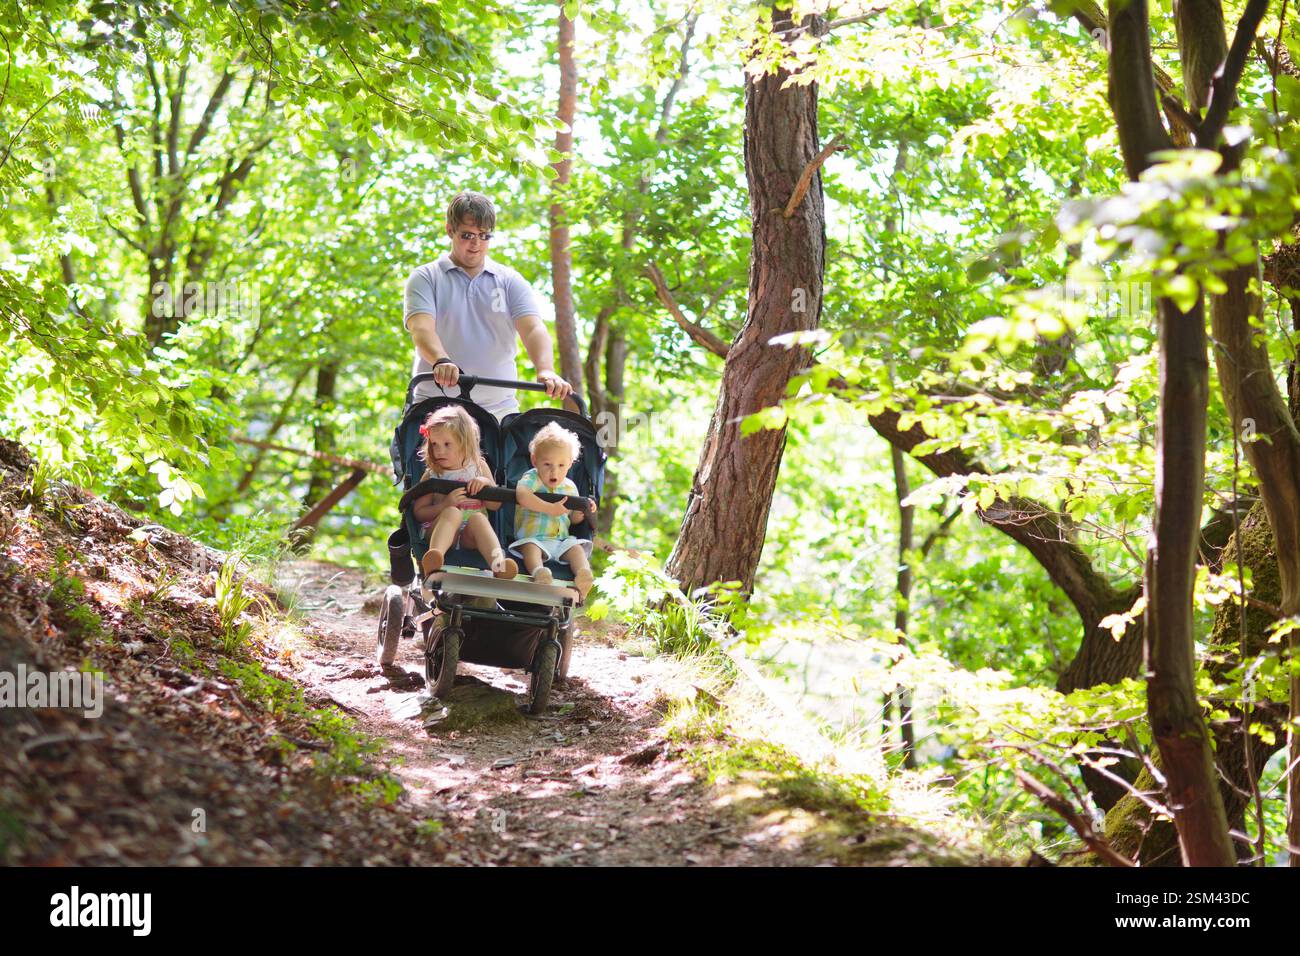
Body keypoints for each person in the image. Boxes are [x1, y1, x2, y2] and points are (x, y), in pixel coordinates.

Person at [404, 190, 574, 421]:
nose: (476, 244)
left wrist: (545, 369)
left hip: (498, 412)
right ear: (449, 230)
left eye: (484, 236)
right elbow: (421, 328)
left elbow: (533, 328)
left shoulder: (509, 280)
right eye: (467, 235)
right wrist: (440, 360)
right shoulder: (426, 277)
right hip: (436, 409)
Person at [412, 406, 518, 579]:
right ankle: (434, 558)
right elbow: (419, 513)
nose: (439, 451)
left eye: (447, 444)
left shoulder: (478, 467)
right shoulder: (433, 473)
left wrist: (485, 485)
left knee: (479, 519)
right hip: (442, 532)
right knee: (452, 513)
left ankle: (499, 564)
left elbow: (495, 505)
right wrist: (444, 505)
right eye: (434, 444)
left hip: (470, 535)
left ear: (465, 442)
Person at [510, 422, 596, 602]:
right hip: (534, 538)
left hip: (560, 541)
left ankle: (583, 574)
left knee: (576, 549)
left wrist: (581, 511)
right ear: (535, 461)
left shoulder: (569, 486)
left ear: (570, 464)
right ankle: (539, 573)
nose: (553, 471)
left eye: (561, 465)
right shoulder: (532, 478)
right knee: (530, 549)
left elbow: (572, 519)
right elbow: (522, 495)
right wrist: (551, 508)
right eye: (547, 464)